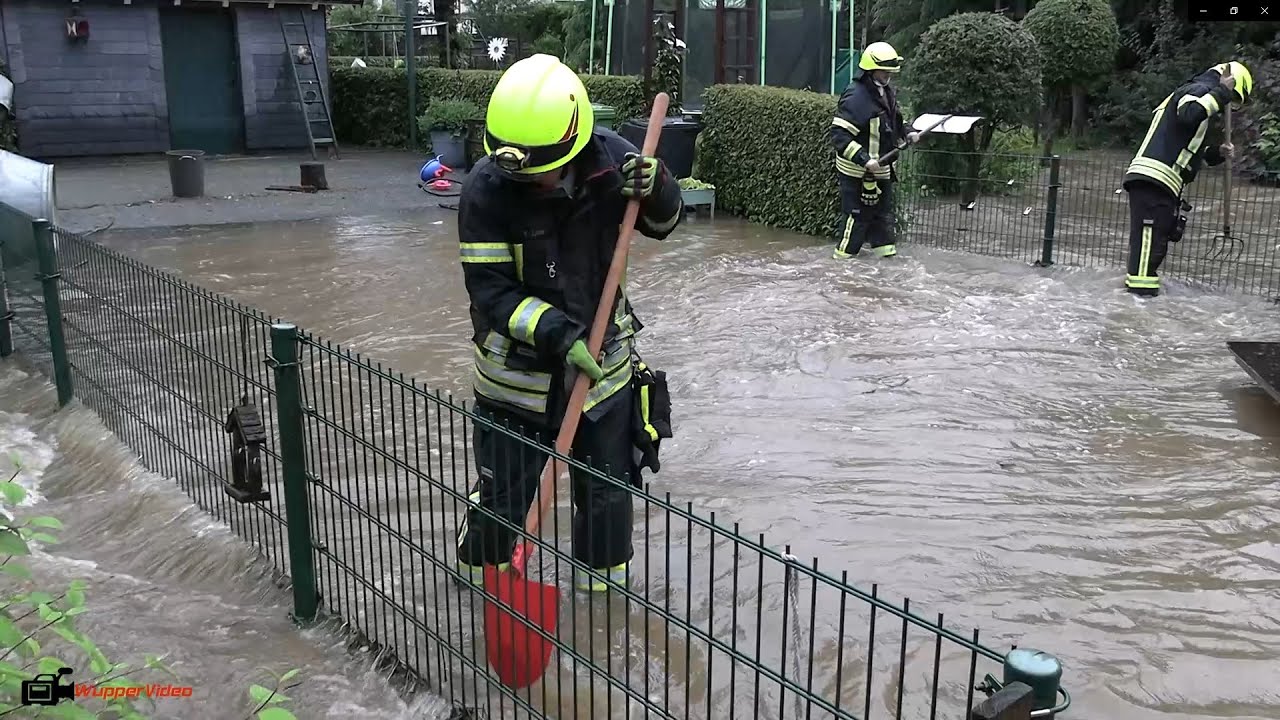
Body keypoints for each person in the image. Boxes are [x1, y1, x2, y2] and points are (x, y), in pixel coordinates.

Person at [454, 54, 680, 593]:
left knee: (607, 496)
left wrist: (659, 189)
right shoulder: (485, 190)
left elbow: (663, 224)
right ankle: (481, 587)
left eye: (540, 172)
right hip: (517, 386)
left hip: (604, 376)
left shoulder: (616, 161)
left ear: (573, 145)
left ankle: (601, 603)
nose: (529, 183)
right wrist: (562, 336)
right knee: (503, 496)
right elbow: (491, 291)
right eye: (518, 173)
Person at [1123, 61, 1253, 297]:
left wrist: (1218, 153)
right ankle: (1136, 307)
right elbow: (1189, 114)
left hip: (1160, 183)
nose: (1229, 105)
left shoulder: (1197, 94)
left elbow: (1189, 154)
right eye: (1233, 98)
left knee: (1153, 251)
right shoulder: (1198, 90)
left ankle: (1141, 306)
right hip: (1154, 180)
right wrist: (1221, 92)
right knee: (1146, 258)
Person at [828, 41, 920, 260]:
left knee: (882, 217)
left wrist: (908, 131)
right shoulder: (856, 97)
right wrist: (864, 159)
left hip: (882, 169)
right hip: (857, 173)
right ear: (870, 70)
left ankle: (887, 264)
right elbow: (840, 135)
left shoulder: (886, 92)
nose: (888, 74)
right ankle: (840, 266)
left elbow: (895, 120)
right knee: (856, 218)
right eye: (884, 70)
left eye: (890, 71)